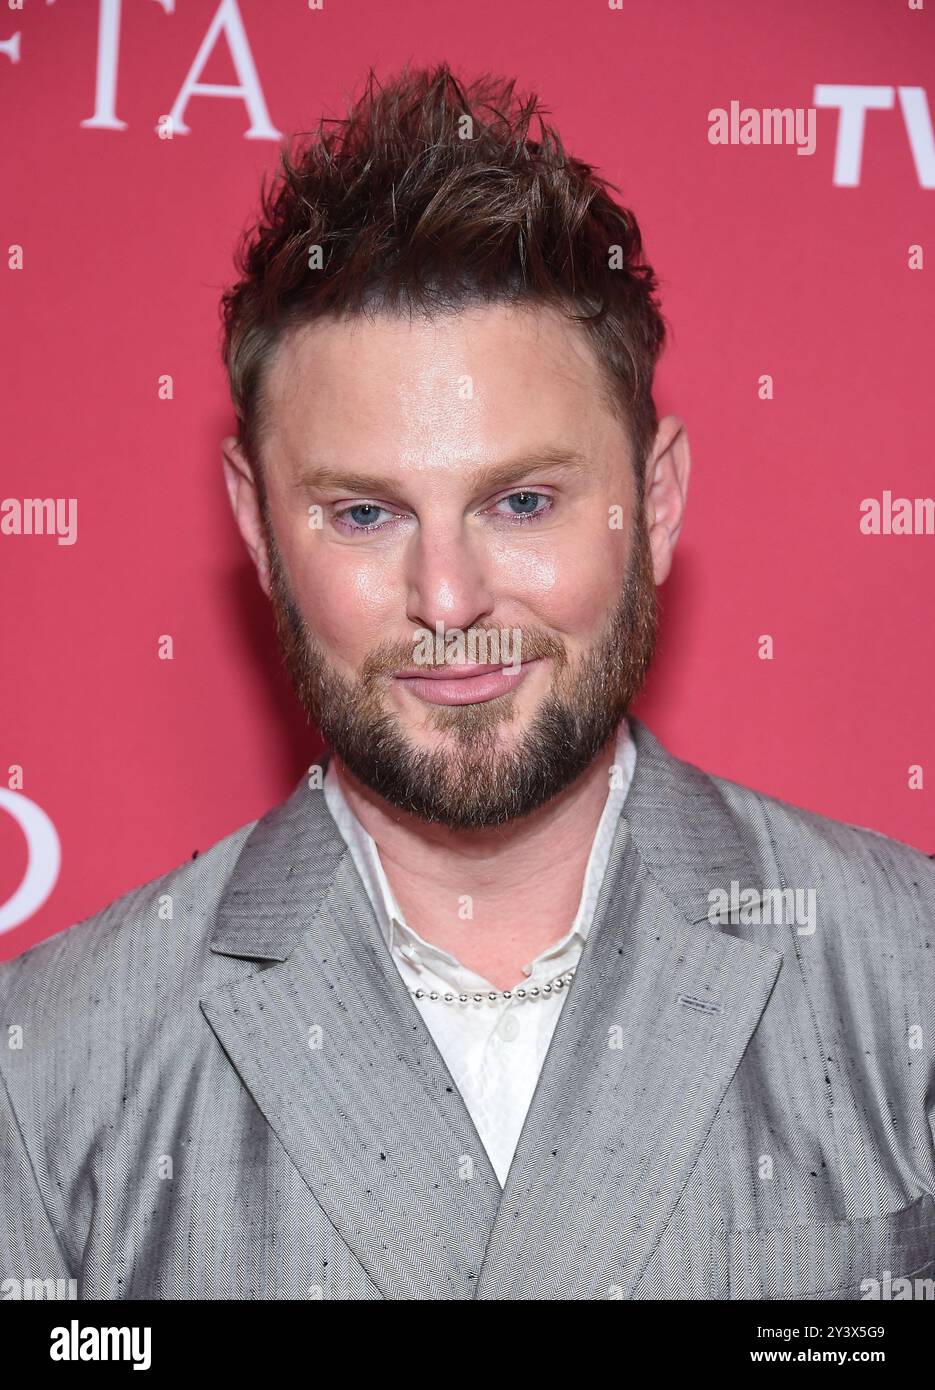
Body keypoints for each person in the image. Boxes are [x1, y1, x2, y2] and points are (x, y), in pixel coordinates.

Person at [2, 63, 933, 1302]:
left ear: (651, 503)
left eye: (522, 501)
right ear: (256, 521)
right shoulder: (50, 1063)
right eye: (363, 513)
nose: (447, 600)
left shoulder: (902, 973)